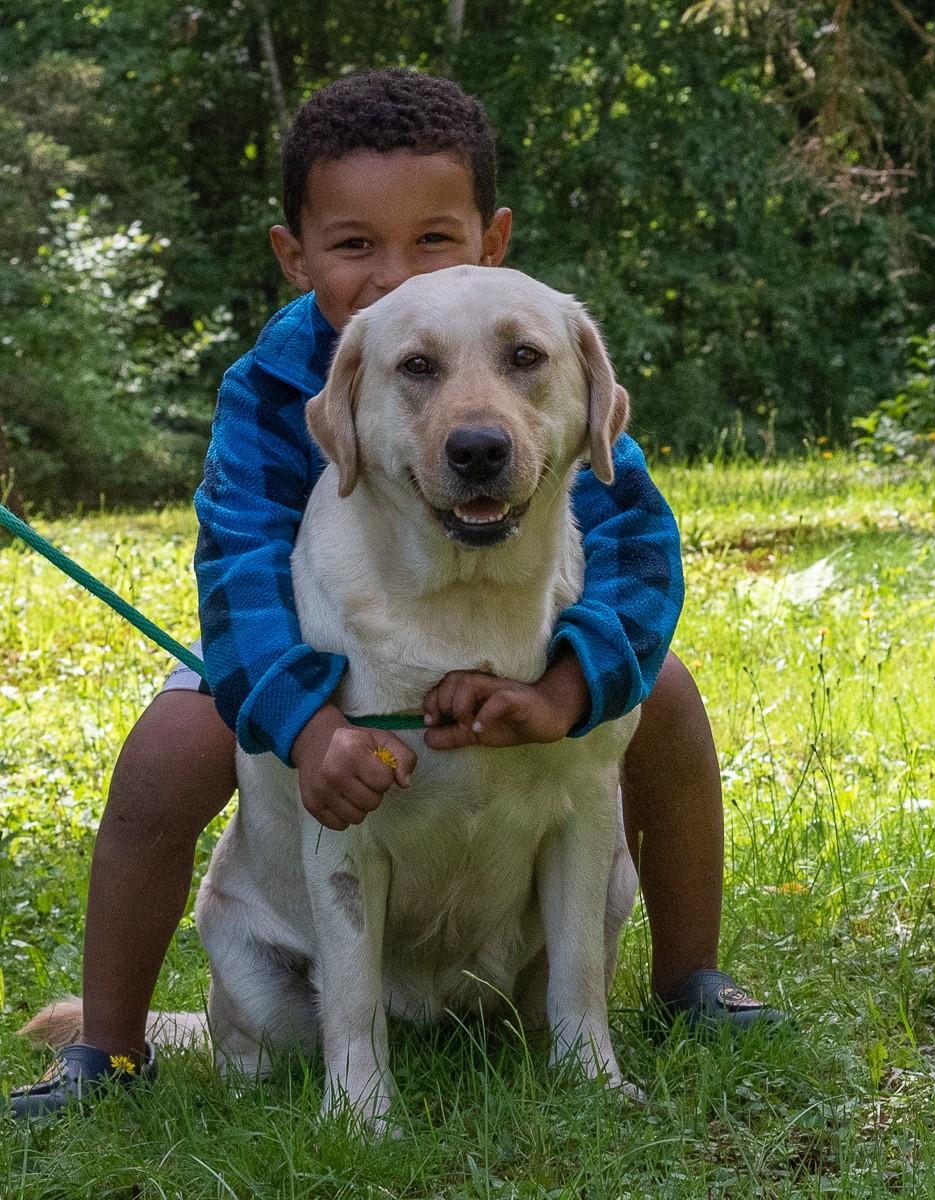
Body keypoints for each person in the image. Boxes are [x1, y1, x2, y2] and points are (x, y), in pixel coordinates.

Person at [8, 68, 783, 1119]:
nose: (390, 276)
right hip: (297, 654)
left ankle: (689, 978)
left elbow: (639, 545)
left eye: (432, 241)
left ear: (490, 240)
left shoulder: (543, 365)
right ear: (296, 256)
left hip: (516, 647)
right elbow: (238, 576)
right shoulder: (273, 387)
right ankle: (109, 1048)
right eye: (354, 245)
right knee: (168, 749)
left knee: (668, 695)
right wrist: (304, 721)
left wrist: (569, 690)